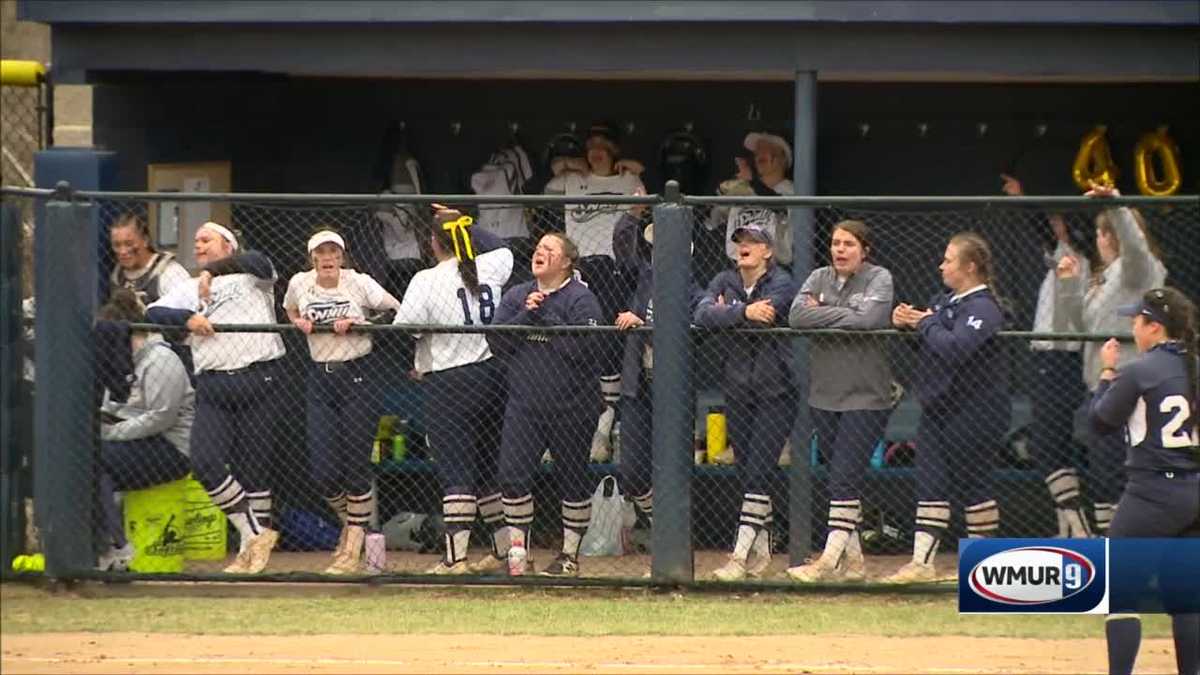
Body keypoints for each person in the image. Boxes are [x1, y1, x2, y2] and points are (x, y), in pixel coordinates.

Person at [147, 221, 286, 574]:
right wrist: (189, 318)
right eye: (195, 242)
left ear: (228, 245)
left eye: (206, 240)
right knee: (205, 462)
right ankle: (255, 534)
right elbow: (152, 312)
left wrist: (213, 270)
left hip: (259, 377)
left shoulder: (251, 278)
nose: (198, 246)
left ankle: (249, 556)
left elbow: (260, 262)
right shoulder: (191, 287)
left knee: (255, 471)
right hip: (212, 385)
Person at [392, 208, 514, 574]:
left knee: (456, 470)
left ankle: (455, 559)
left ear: (433, 244)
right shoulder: (489, 267)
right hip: (493, 375)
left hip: (450, 380)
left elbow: (406, 329)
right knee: (488, 469)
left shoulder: (427, 278)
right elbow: (502, 246)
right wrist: (463, 223)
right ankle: (504, 550)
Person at [886, 232, 1009, 583]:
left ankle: (984, 571)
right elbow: (934, 347)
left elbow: (956, 347)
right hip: (937, 406)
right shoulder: (945, 303)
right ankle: (921, 563)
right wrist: (909, 327)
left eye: (949, 260)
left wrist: (925, 322)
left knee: (974, 485)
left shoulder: (984, 306)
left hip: (975, 409)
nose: (942, 266)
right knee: (930, 483)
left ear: (970, 267)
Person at [1088, 287, 1198, 675]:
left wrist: (1105, 375)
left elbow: (1098, 423)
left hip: (1152, 492)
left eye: (1137, 321)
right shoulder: (1194, 366)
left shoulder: (1141, 370)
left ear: (1155, 327)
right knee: (1185, 599)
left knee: (1119, 593)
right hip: (1193, 490)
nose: (1134, 328)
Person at [283, 229, 401, 574]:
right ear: (312, 257)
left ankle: (352, 544)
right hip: (321, 374)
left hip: (357, 374)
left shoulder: (358, 282)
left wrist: (360, 322)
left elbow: (396, 311)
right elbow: (289, 309)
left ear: (342, 255)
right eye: (321, 252)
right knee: (324, 470)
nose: (328, 257)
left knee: (355, 463)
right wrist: (299, 322)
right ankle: (355, 527)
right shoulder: (301, 283)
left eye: (333, 251)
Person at [487, 232, 605, 577]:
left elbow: (588, 351)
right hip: (524, 405)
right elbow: (497, 341)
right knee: (511, 477)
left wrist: (549, 323)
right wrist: (526, 316)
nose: (540, 253)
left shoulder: (582, 299)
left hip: (573, 406)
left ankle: (569, 557)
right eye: (538, 249)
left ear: (567, 261)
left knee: (573, 480)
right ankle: (519, 554)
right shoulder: (518, 295)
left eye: (549, 250)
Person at [1055, 183, 1167, 534]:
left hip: (1130, 386)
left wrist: (1116, 206)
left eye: (1101, 234)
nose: (1097, 241)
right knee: (1104, 473)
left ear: (1110, 236)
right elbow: (1080, 325)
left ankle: (1134, 552)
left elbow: (1135, 247)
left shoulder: (1139, 272)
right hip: (1099, 384)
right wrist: (1071, 285)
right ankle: (1113, 550)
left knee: (1124, 473)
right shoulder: (1104, 279)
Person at [786, 220, 894, 583]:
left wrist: (825, 312)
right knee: (839, 478)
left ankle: (827, 562)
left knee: (843, 480)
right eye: (835, 243)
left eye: (848, 244)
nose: (840, 250)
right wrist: (846, 314)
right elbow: (797, 316)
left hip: (866, 397)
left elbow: (872, 320)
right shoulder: (818, 277)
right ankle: (856, 563)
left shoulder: (880, 277)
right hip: (824, 395)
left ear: (865, 249)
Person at [694, 222, 797, 581]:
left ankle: (738, 558)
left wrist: (732, 315)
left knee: (757, 472)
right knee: (745, 472)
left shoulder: (782, 281)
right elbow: (703, 314)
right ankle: (763, 552)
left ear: (768, 251)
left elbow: (770, 314)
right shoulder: (725, 279)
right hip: (737, 388)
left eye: (753, 242)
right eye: (739, 241)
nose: (744, 246)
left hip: (776, 391)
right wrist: (742, 313)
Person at [544, 123, 646, 462]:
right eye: (591, 145)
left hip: (614, 268)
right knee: (568, 344)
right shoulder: (573, 181)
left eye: (603, 145)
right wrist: (565, 167)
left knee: (608, 345)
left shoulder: (627, 181)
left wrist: (636, 170)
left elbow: (644, 200)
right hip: (577, 268)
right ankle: (569, 429)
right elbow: (545, 189)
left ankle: (605, 426)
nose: (596, 151)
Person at [1001, 174, 1095, 537]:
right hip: (1045, 358)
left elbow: (1043, 229)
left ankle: (1079, 526)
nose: (1055, 228)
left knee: (1047, 443)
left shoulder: (1076, 260)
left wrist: (1024, 199)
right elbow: (1045, 234)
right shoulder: (1063, 259)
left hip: (1061, 358)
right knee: (1049, 445)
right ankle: (1070, 525)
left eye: (1061, 223)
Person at [611, 200, 704, 545]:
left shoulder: (694, 291)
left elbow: (687, 333)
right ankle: (660, 523)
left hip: (672, 391)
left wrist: (645, 326)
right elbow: (622, 248)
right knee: (632, 470)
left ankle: (673, 538)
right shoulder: (644, 277)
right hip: (639, 385)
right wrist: (632, 214)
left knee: (674, 468)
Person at [93, 289, 194, 571]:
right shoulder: (117, 362)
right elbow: (114, 406)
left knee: (95, 459)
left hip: (171, 448)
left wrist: (111, 433)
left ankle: (118, 548)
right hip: (133, 440)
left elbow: (160, 418)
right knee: (86, 462)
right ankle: (108, 546)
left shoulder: (161, 359)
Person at [709, 132, 797, 267]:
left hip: (775, 267)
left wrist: (753, 182)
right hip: (738, 267)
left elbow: (781, 207)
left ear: (782, 157)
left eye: (766, 150)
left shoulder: (791, 190)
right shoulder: (743, 188)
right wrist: (722, 194)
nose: (759, 155)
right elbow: (710, 222)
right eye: (757, 152)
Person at [108, 212, 191, 304]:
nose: (122, 251)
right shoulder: (117, 276)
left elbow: (188, 308)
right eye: (117, 245)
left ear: (145, 240)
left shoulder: (169, 272)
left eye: (129, 244)